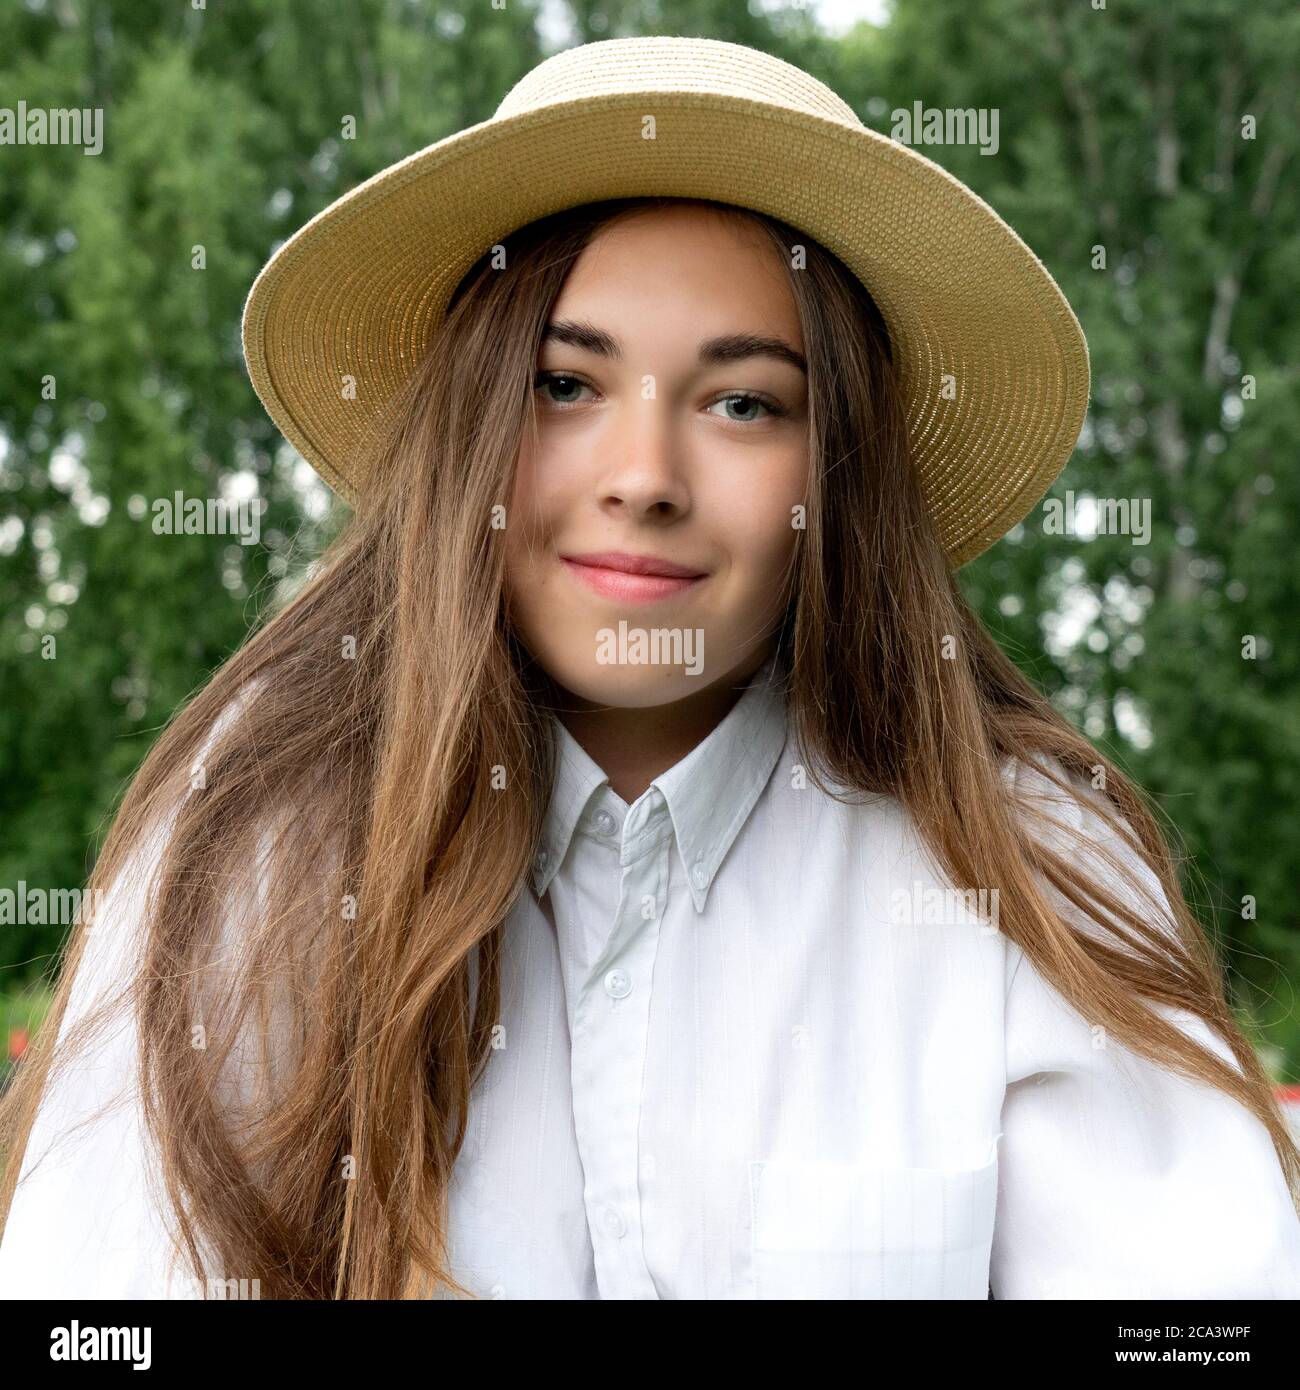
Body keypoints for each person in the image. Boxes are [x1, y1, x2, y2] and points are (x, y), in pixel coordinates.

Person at [1, 36, 1298, 1302]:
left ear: (836, 469)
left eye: (744, 402)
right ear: (471, 423)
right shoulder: (250, 846)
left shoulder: (1025, 867)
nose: (645, 478)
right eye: (567, 383)